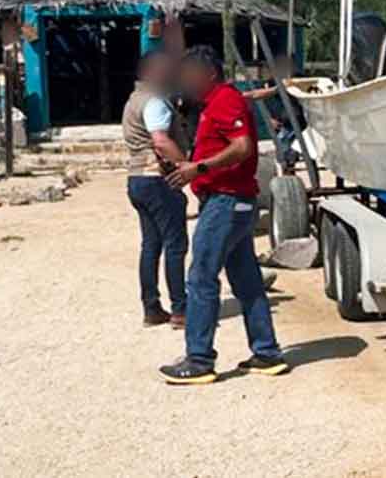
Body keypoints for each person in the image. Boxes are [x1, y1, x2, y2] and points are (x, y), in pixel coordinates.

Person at [159, 45, 287, 385]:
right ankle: (267, 353)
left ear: (208, 73)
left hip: (226, 203)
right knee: (247, 282)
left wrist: (199, 167)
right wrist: (189, 168)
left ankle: (199, 359)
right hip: (233, 202)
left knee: (201, 277)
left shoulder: (225, 100)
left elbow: (242, 146)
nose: (185, 82)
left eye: (189, 75)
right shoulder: (214, 103)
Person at [123, 50, 191, 328]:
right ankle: (181, 309)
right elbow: (161, 141)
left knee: (151, 245)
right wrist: (187, 166)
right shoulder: (155, 101)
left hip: (137, 178)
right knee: (176, 244)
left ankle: (151, 308)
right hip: (157, 179)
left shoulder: (133, 99)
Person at [243, 54, 305, 174]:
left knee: (304, 151)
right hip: (284, 122)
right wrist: (269, 118)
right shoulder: (272, 82)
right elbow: (261, 98)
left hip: (299, 120)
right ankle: (288, 172)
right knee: (284, 150)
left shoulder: (300, 79)